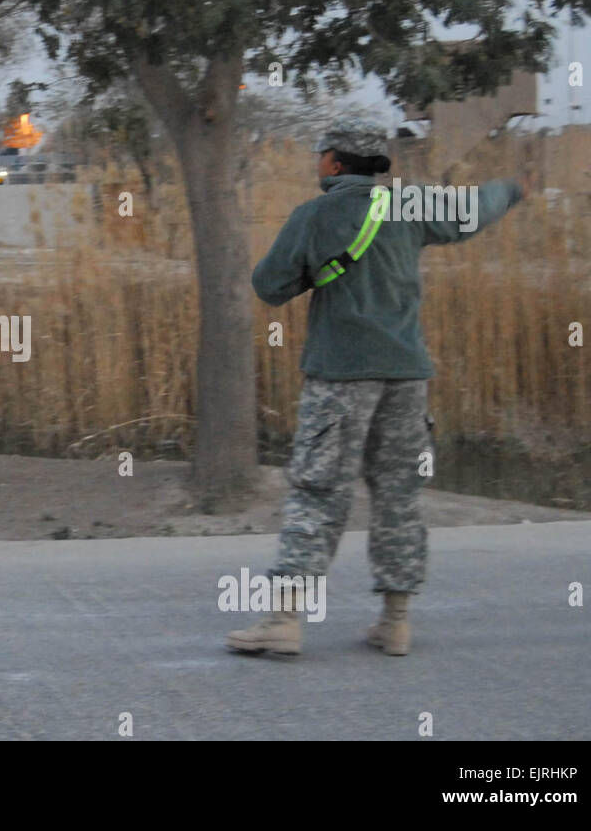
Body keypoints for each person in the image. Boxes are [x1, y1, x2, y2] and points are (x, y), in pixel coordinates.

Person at [227, 118, 530, 656]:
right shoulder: (409, 206)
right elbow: (471, 212)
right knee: (398, 495)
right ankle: (395, 621)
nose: (316, 162)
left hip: (340, 376)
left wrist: (311, 273)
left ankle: (284, 620)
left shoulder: (315, 215)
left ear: (336, 164)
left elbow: (268, 285)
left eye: (321, 155)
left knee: (319, 492)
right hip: (408, 375)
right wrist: (507, 189)